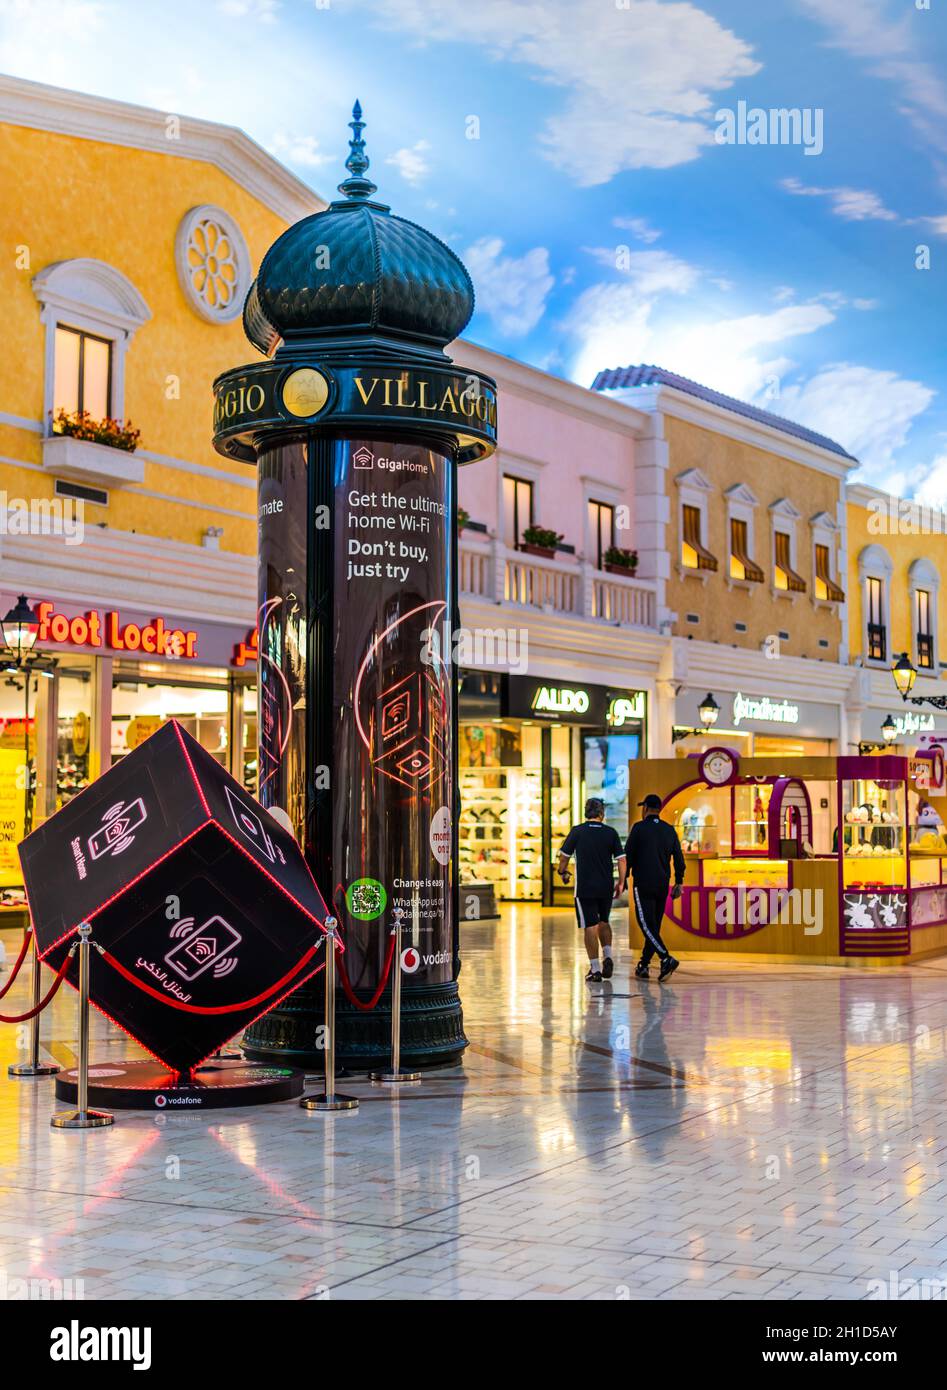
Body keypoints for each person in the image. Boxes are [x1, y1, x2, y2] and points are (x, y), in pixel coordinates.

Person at [558, 796, 626, 983]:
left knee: (590, 925)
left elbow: (564, 857)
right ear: (602, 814)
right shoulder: (610, 833)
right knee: (604, 921)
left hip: (585, 888)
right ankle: (608, 955)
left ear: (586, 812)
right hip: (605, 887)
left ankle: (595, 969)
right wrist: (620, 883)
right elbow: (621, 860)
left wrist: (561, 871)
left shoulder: (577, 831)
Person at [624, 793, 684, 982]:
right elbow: (679, 859)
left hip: (643, 884)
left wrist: (623, 878)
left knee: (645, 924)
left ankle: (666, 958)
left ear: (646, 808)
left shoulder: (638, 828)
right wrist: (679, 882)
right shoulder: (669, 830)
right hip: (662, 885)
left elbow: (629, 856)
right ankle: (643, 964)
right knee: (653, 926)